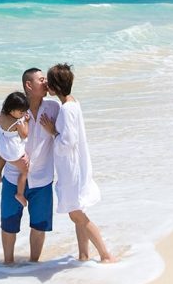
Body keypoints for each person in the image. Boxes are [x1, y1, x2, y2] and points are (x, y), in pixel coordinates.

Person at [39, 63, 117, 263]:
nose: (46, 84)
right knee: (77, 212)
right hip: (74, 167)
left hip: (71, 169)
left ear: (55, 87)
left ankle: (106, 255)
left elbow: (68, 142)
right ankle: (83, 255)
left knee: (76, 214)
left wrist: (52, 131)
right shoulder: (73, 103)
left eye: (49, 81)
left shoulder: (66, 109)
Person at [0, 67, 60, 265]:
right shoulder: (13, 110)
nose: (45, 82)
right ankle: (7, 265)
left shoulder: (54, 108)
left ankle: (34, 266)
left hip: (42, 178)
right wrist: (12, 162)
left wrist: (53, 131)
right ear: (28, 85)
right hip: (13, 177)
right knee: (8, 225)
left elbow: (66, 138)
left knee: (39, 226)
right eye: (41, 79)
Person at [0, 91, 30, 207]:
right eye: (21, 112)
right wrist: (26, 122)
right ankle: (19, 193)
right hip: (12, 151)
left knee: (3, 155)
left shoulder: (2, 114)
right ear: (12, 110)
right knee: (25, 170)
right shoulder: (17, 122)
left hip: (0, 143)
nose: (23, 114)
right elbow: (24, 134)